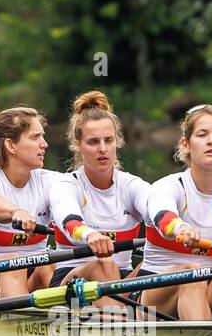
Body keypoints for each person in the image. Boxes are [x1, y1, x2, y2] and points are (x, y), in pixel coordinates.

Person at [47, 90, 150, 309]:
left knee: (166, 263)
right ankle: (123, 328)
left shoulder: (132, 185)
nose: (102, 149)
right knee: (104, 265)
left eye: (108, 140)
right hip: (71, 281)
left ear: (117, 142)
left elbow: (158, 207)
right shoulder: (66, 185)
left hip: (123, 280)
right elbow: (70, 221)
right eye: (93, 142)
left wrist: (177, 227)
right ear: (77, 145)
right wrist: (90, 235)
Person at [141, 104, 212, 320]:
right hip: (157, 291)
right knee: (193, 272)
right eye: (202, 134)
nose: (211, 141)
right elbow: (163, 216)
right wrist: (180, 227)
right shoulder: (168, 187)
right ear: (186, 144)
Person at [0, 106, 58, 299]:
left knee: (49, 263)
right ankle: (19, 324)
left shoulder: (51, 181)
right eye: (35, 137)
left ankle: (75, 318)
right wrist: (15, 212)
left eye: (43, 136)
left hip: (29, 281)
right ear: (11, 145)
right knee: (14, 262)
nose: (45, 144)